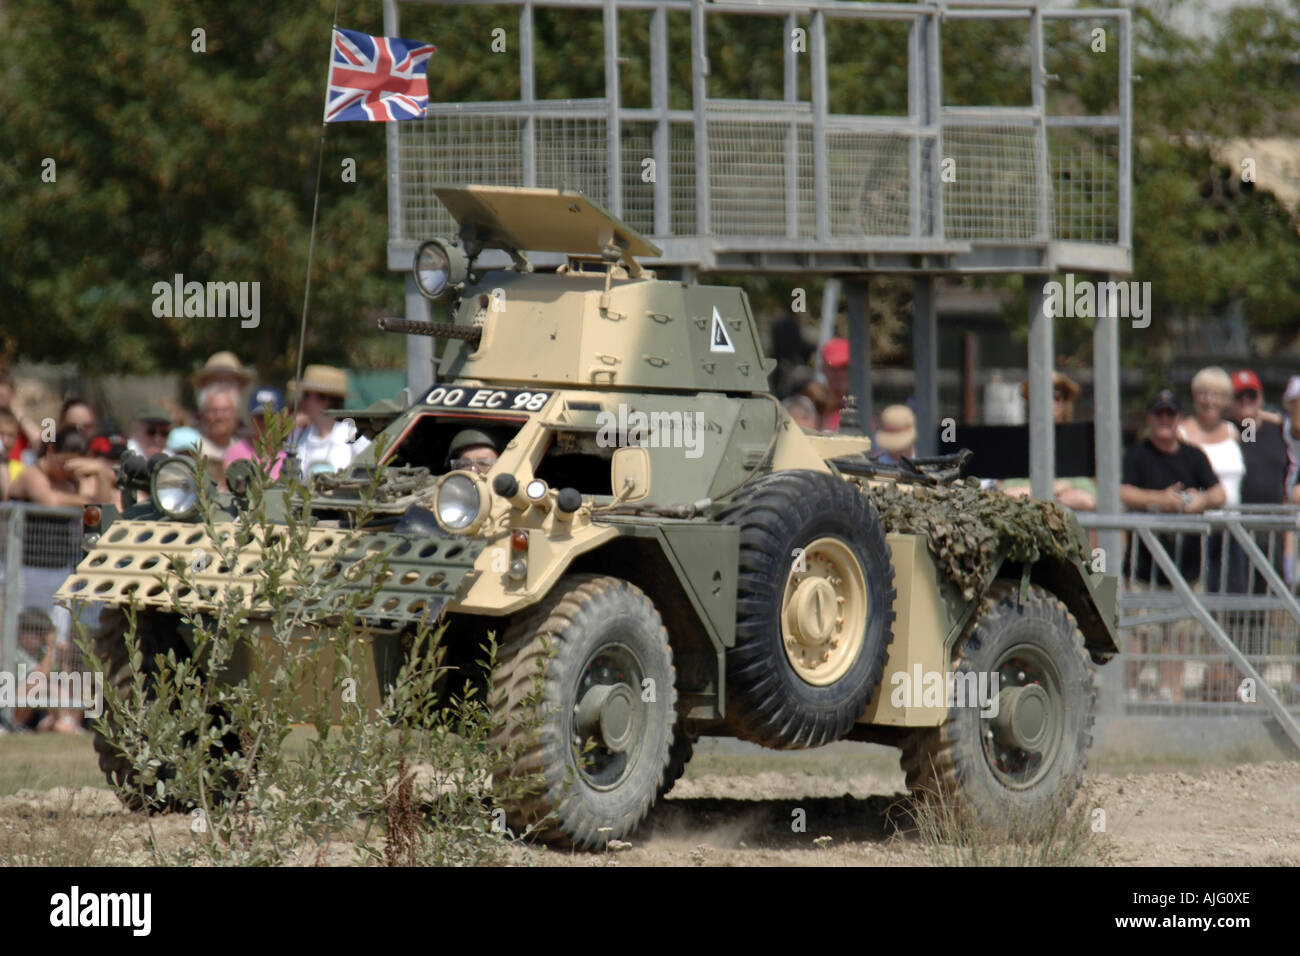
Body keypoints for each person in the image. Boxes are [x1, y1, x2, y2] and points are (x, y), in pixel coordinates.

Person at [1120, 389, 1226, 702]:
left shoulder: (1194, 456)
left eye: (1170, 413)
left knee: (1177, 634)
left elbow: (1220, 494)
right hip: (1144, 567)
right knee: (1140, 632)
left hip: (1186, 568)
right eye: (1158, 413)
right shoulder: (1136, 454)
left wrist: (1201, 500)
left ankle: (1170, 693)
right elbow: (1121, 491)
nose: (1164, 419)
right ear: (1150, 419)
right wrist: (1159, 499)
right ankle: (1128, 694)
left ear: (1178, 418)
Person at [1179, 367, 1245, 592]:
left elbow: (1257, 417)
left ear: (1226, 399)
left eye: (1216, 395)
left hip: (1232, 529)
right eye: (1204, 393)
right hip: (1197, 532)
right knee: (1199, 596)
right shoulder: (1182, 433)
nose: (1210, 401)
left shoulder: (1233, 431)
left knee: (1233, 596)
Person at [1228, 369, 1291, 590]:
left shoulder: (1279, 430)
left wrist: (1273, 417)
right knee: (1237, 594)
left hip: (1273, 526)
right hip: (1236, 528)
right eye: (1239, 396)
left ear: (1261, 398)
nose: (1245, 401)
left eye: (1251, 395)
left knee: (1268, 594)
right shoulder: (1227, 430)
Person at [1000, 371, 1097, 510]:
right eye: (1040, 396)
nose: (1048, 402)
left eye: (1055, 397)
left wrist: (1032, 495)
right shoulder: (1017, 444)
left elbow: (1087, 499)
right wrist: (1057, 488)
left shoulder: (1075, 444)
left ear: (1064, 403)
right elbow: (1006, 494)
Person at [289, 365, 370, 477]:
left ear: (326, 399)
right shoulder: (297, 435)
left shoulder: (352, 433)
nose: (302, 400)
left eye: (307, 395)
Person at [7, 427, 116, 507]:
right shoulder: (32, 475)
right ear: (51, 450)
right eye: (64, 463)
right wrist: (90, 502)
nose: (68, 470)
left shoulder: (72, 480)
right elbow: (51, 501)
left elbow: (102, 506)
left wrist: (101, 472)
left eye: (74, 465)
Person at [224, 387, 289, 480]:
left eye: (271, 418)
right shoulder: (235, 454)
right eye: (260, 418)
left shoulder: (289, 458)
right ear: (251, 419)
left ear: (281, 419)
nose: (266, 424)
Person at [197, 384, 240, 487]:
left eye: (225, 410)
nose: (220, 416)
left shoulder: (244, 451)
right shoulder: (194, 451)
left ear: (235, 414)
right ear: (203, 414)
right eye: (213, 411)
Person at [819, 338, 850, 432]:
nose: (839, 374)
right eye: (833, 367)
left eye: (844, 367)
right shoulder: (814, 407)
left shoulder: (860, 411)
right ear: (823, 368)